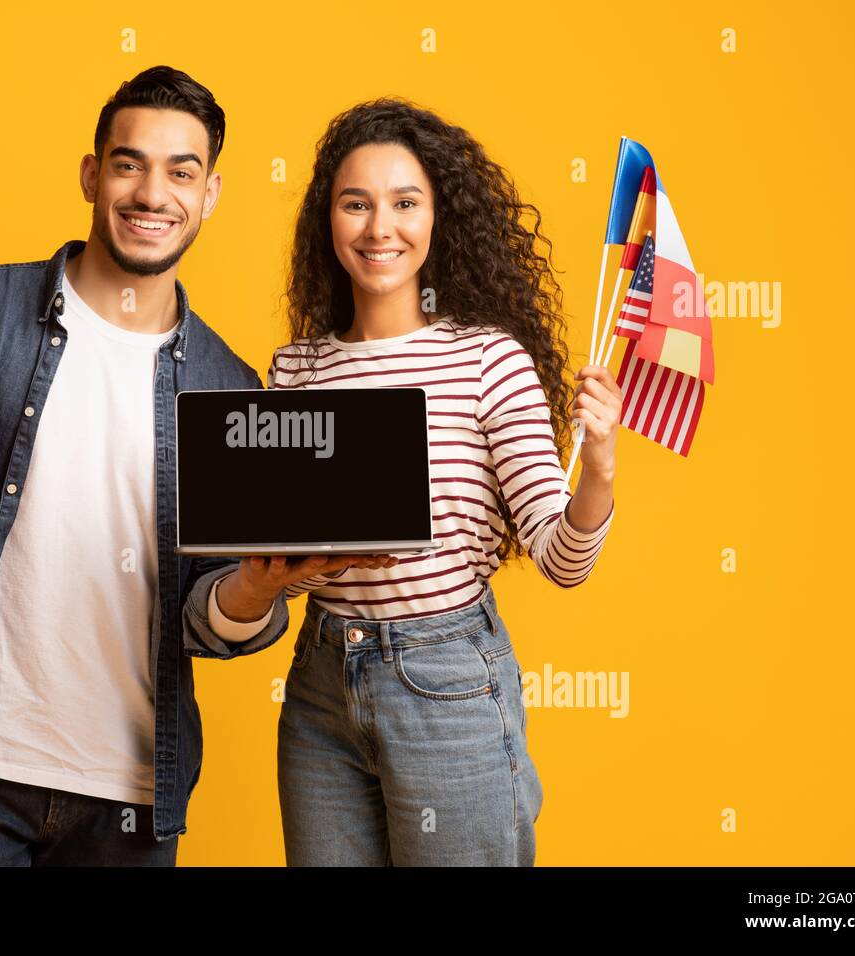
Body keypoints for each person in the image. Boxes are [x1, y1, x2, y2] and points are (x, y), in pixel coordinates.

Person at [0, 65, 325, 866]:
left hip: (133, 796)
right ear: (92, 173)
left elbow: (209, 619)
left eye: (181, 172)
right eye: (129, 163)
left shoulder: (229, 387)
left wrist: (259, 586)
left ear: (210, 194)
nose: (154, 193)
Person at [201, 98, 622, 866]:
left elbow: (564, 563)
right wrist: (277, 573)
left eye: (404, 203)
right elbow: (284, 564)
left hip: (448, 680)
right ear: (327, 222)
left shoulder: (490, 362)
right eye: (355, 204)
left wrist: (597, 470)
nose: (378, 228)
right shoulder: (295, 371)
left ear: (438, 218)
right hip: (321, 683)